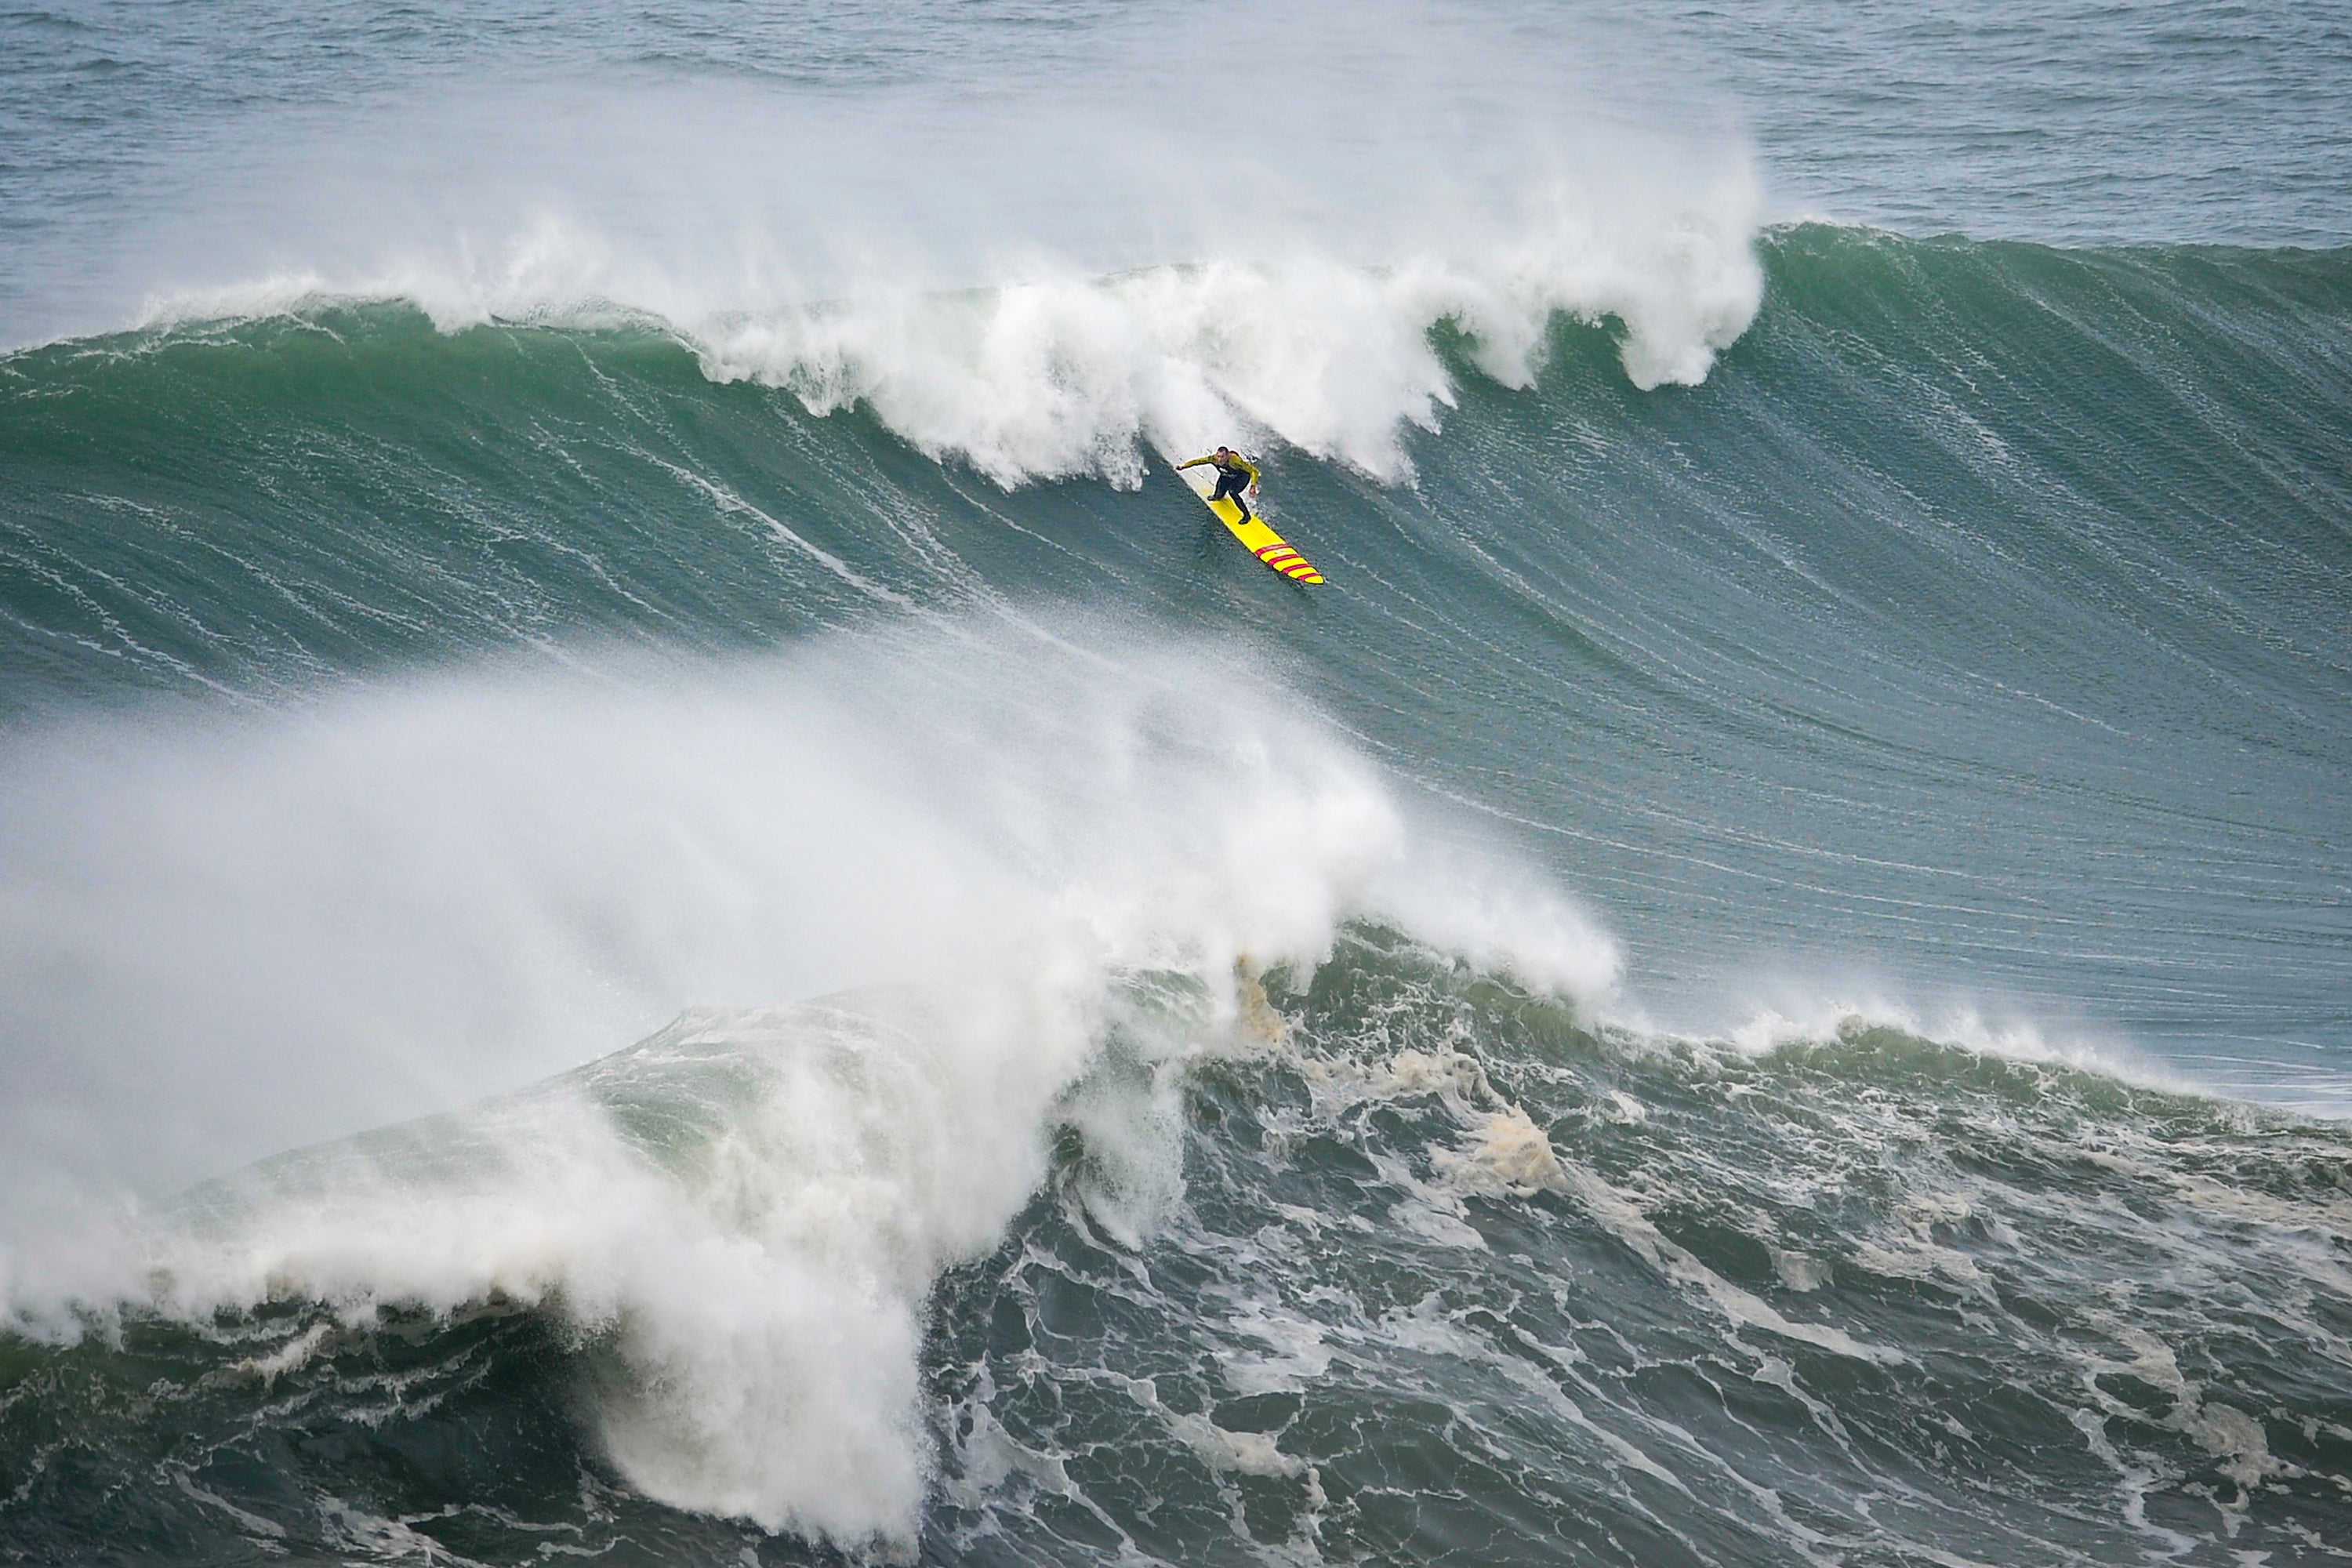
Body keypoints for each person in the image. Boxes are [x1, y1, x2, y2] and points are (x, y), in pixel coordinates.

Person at [1178, 446, 1261, 523]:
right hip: (1227, 475)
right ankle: (1217, 496)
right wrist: (1183, 467)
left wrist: (1253, 486)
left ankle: (1247, 516)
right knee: (1218, 494)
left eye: (1222, 457)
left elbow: (1254, 471)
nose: (1220, 460)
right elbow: (1197, 462)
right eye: (1219, 456)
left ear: (1228, 455)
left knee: (1233, 492)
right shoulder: (1214, 459)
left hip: (1241, 477)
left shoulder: (1235, 461)